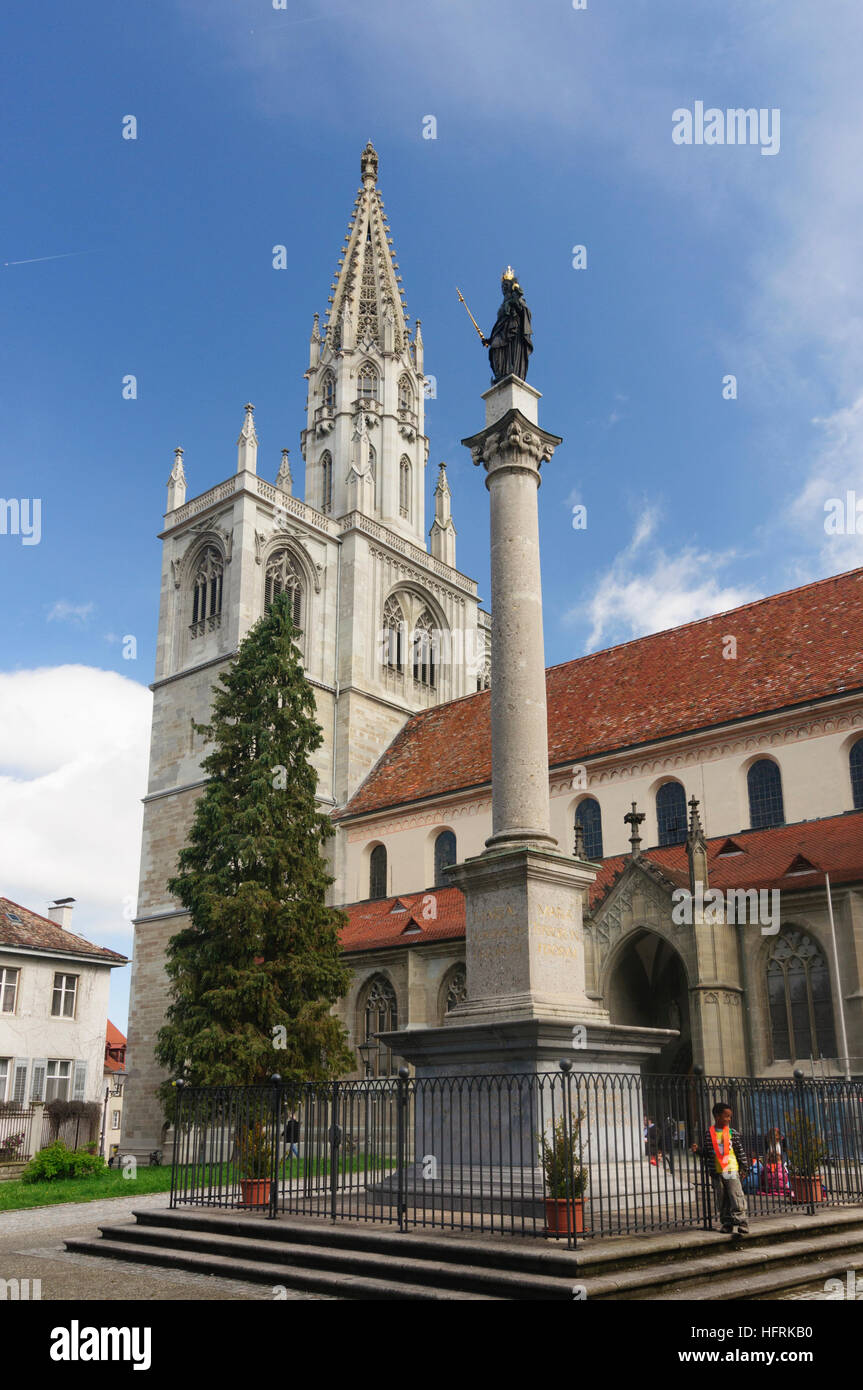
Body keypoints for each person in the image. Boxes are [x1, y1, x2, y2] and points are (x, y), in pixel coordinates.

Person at [691, 1101, 750, 1236]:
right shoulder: (709, 1133)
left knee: (736, 1195)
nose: (729, 1119)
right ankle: (727, 1223)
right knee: (722, 1198)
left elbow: (739, 1150)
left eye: (730, 1116)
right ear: (717, 1116)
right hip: (717, 1172)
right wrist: (699, 1151)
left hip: (731, 1169)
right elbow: (708, 1153)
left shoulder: (732, 1133)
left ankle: (742, 1222)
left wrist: (744, 1167)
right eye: (726, 1116)